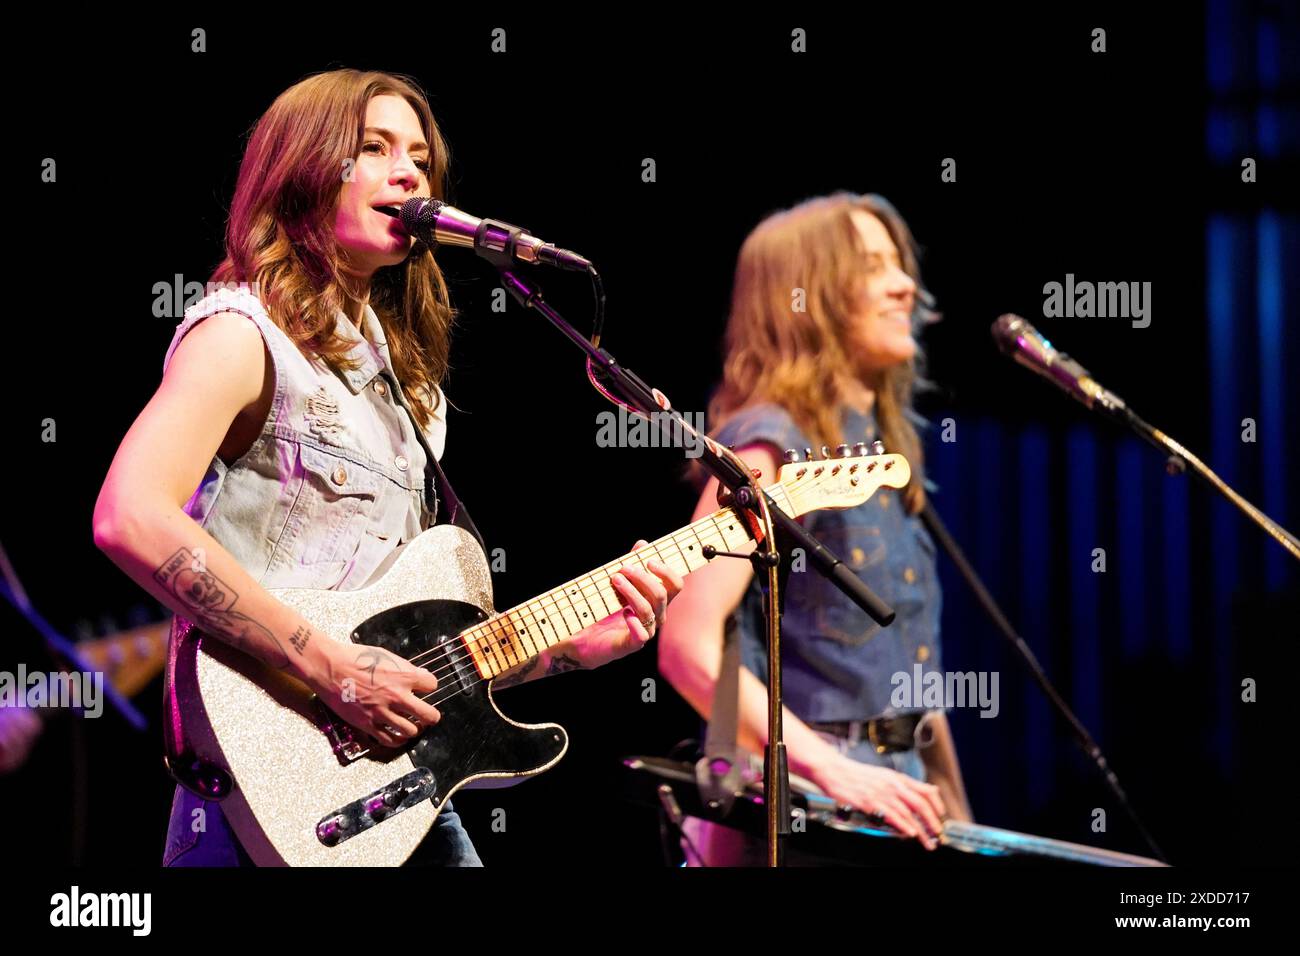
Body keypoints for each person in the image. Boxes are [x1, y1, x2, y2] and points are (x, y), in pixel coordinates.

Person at [91, 69, 681, 866]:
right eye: (373, 148)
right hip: (263, 788)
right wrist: (329, 666)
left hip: (386, 790)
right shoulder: (241, 332)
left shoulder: (412, 392)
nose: (410, 173)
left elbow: (412, 653)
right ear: (304, 167)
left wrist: (570, 649)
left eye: (420, 157)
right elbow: (129, 515)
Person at [658, 192, 972, 865]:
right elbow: (686, 645)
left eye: (900, 263)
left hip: (900, 792)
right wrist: (836, 772)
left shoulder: (880, 447)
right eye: (872, 267)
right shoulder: (771, 442)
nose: (904, 284)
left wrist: (957, 808)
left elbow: (912, 671)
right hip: (805, 805)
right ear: (809, 296)